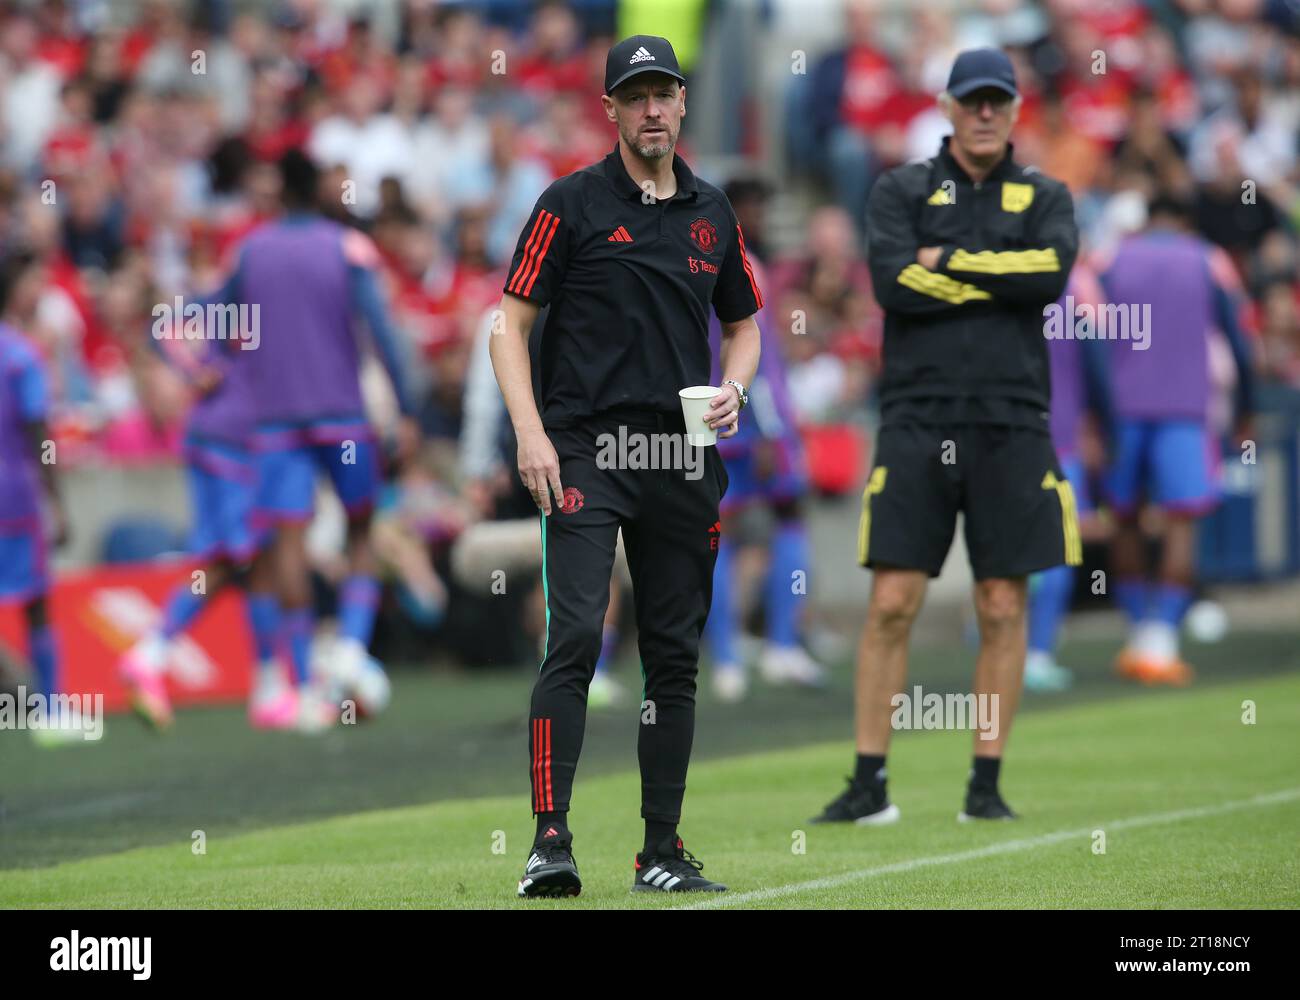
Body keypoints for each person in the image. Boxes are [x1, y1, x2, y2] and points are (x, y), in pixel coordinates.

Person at [490, 35, 763, 896]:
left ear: (683, 102)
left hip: (680, 452)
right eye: (634, 94)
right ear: (610, 108)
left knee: (673, 656)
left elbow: (747, 323)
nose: (651, 108)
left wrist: (737, 389)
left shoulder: (713, 213)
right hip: (584, 446)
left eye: (663, 93)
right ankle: (549, 841)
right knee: (574, 635)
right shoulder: (569, 203)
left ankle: (661, 852)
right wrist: (530, 433)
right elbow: (508, 326)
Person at [813, 48, 1080, 825]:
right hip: (917, 419)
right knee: (892, 600)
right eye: (974, 101)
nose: (986, 112)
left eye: (998, 100)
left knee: (1002, 603)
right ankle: (869, 785)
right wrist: (998, 274)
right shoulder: (899, 188)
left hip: (1012, 419)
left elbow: (1052, 274)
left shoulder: (1045, 192)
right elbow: (894, 281)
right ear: (948, 105)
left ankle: (984, 787)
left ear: (1016, 109)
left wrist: (952, 262)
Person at [227, 149, 419, 730]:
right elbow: (382, 331)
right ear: (317, 191)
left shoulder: (249, 251)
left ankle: (307, 682)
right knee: (361, 524)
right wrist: (408, 407)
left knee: (288, 541)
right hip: (342, 416)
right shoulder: (348, 248)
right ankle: (354, 648)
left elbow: (214, 319)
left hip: (276, 421)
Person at [1101, 193, 1255, 685]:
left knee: (1123, 517)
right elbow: (1238, 337)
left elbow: (1086, 336)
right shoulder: (1207, 260)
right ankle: (1163, 639)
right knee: (1181, 521)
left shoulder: (1113, 259)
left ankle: (1136, 633)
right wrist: (1246, 407)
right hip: (1185, 407)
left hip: (1122, 409)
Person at [1024, 262, 1113, 692]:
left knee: (1007, 546)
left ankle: (1001, 646)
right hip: (1060, 443)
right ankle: (1037, 653)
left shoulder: (993, 293)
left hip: (1007, 443)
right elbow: (1098, 374)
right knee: (1057, 550)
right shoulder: (1071, 300)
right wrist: (1104, 429)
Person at [0, 251, 76, 745]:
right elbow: (39, 432)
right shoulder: (23, 355)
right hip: (15, 491)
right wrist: (57, 499)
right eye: (35, 284)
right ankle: (50, 711)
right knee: (36, 601)